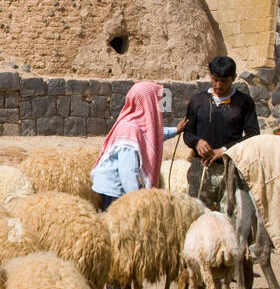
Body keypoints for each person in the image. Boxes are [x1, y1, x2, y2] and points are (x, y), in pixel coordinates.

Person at [91, 80, 187, 212]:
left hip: (117, 188)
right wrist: (138, 201)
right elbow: (127, 173)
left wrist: (175, 130)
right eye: (156, 99)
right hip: (115, 191)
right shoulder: (130, 129)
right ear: (148, 102)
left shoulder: (136, 122)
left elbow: (150, 135)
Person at [182, 55, 260, 208]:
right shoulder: (198, 101)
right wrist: (197, 142)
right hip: (201, 167)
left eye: (224, 81)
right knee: (198, 215)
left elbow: (253, 135)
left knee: (231, 217)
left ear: (233, 78)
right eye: (214, 79)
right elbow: (188, 133)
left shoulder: (244, 102)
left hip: (232, 168)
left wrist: (224, 151)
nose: (218, 85)